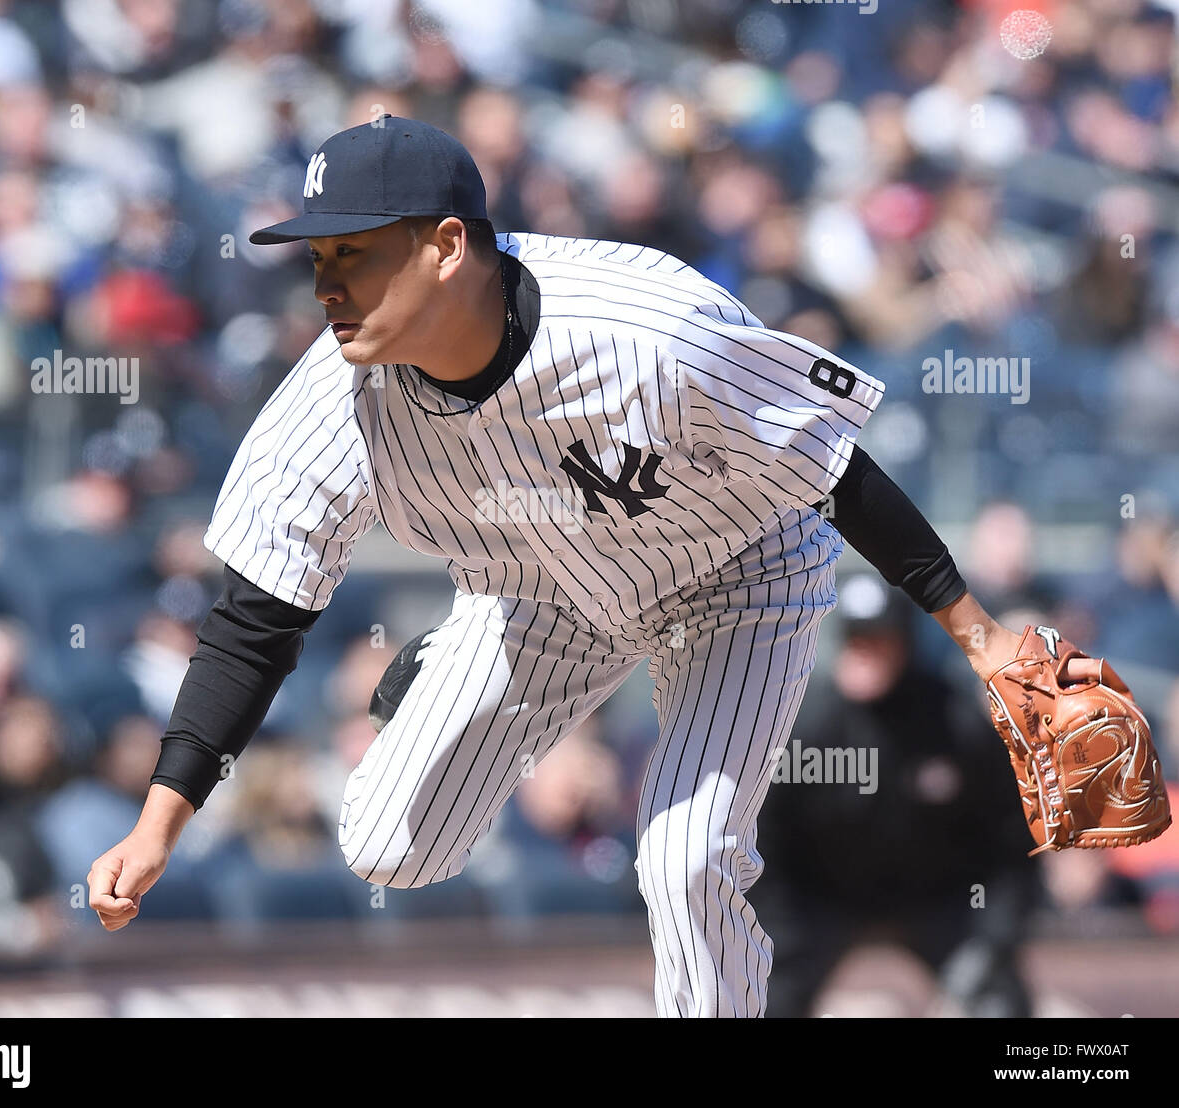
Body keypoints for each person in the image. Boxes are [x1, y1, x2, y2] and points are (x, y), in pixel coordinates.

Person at [86, 115, 1093, 1018]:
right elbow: (254, 618)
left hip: (735, 574)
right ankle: (448, 653)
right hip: (538, 593)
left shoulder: (648, 327)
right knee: (390, 843)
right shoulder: (332, 403)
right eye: (315, 256)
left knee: (685, 859)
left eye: (353, 251)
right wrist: (161, 819)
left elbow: (833, 466)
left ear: (445, 247)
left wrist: (982, 635)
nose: (326, 283)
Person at [752, 574, 1040, 1017]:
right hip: (823, 900)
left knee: (996, 999)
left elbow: (1011, 839)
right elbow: (763, 838)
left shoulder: (953, 723)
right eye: (854, 640)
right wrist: (779, 935)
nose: (863, 653)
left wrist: (993, 939)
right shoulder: (804, 726)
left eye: (876, 640)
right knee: (766, 995)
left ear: (904, 643)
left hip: (938, 898)